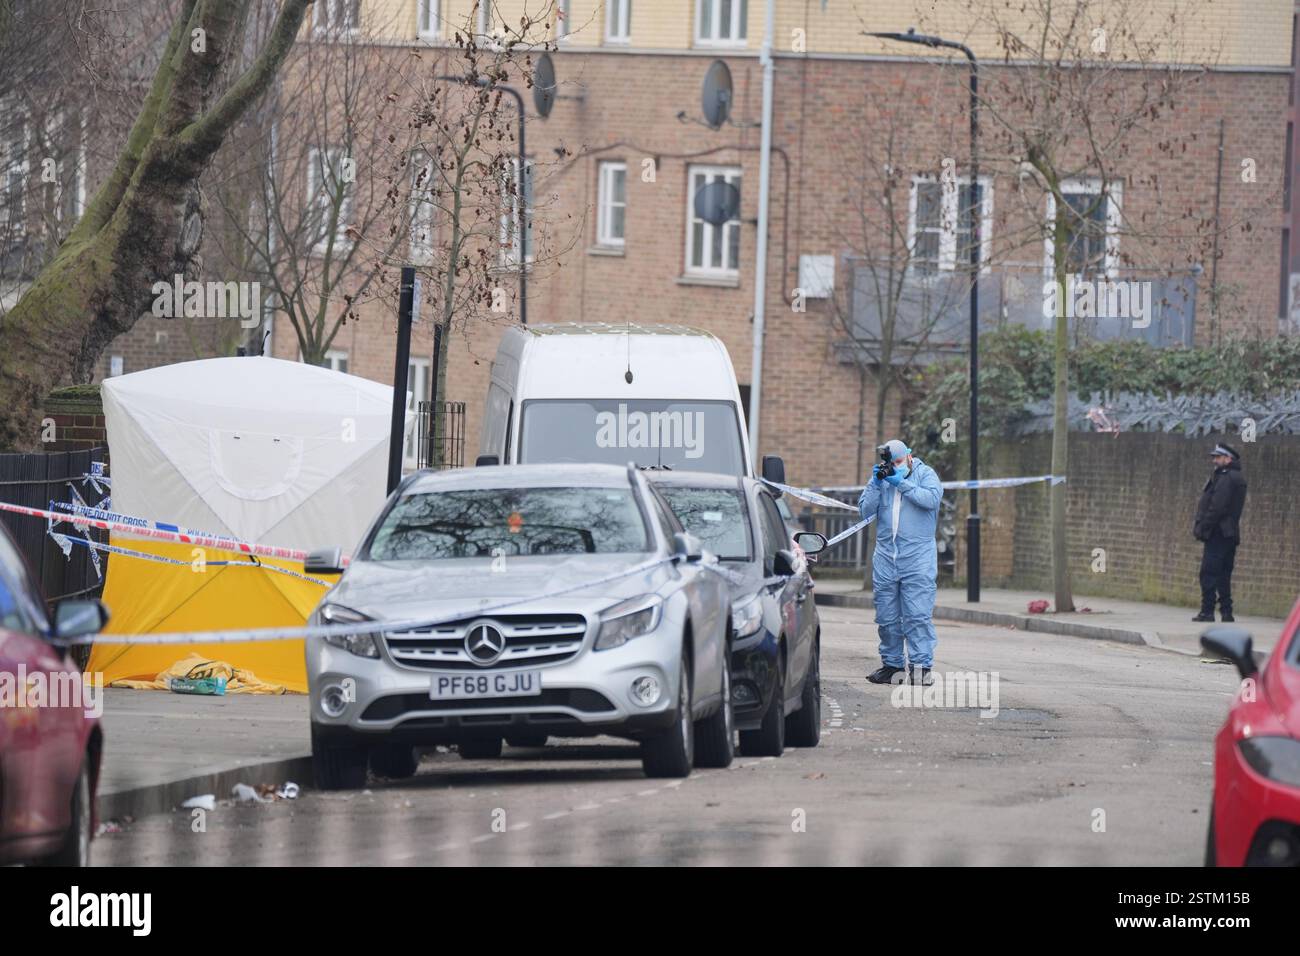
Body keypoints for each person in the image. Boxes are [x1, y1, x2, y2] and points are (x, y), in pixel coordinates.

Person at [858, 439, 943, 685]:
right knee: (886, 616)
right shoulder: (882, 479)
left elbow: (931, 500)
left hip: (917, 557)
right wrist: (876, 484)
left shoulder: (926, 474)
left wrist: (901, 483)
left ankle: (921, 667)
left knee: (917, 614)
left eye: (898, 462)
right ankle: (892, 666)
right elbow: (864, 511)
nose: (895, 467)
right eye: (891, 463)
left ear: (908, 456)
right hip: (886, 556)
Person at [1192, 442, 1247, 623]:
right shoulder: (1233, 477)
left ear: (1228, 458)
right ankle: (1226, 612)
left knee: (1208, 572)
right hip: (1229, 533)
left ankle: (1207, 611)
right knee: (1224, 573)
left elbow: (1217, 507)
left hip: (1218, 532)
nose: (1214, 460)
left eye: (1218, 457)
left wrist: (1203, 527)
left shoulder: (1227, 478)